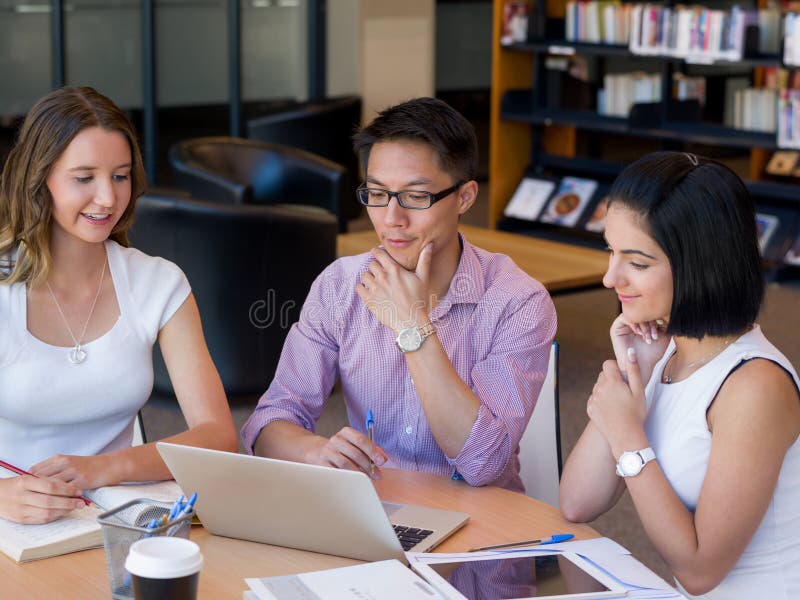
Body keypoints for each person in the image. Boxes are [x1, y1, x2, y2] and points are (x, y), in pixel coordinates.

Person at [241, 97, 556, 492]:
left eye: (415, 196)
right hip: (373, 521)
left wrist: (413, 326)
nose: (392, 218)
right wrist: (313, 452)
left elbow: (484, 464)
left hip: (480, 536)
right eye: (376, 193)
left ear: (465, 196)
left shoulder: (518, 302)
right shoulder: (340, 285)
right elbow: (268, 422)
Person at [559, 151, 800, 599]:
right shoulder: (666, 352)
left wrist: (629, 436)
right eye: (611, 251)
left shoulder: (755, 386)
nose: (611, 278)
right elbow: (576, 504)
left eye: (638, 262)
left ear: (700, 264)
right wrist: (638, 371)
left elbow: (699, 571)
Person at [0, 87, 238, 525]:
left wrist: (102, 468)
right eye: (84, 177)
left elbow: (219, 437)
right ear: (40, 178)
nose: (108, 198)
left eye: (121, 176)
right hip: (12, 526)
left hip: (113, 519)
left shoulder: (159, 282)